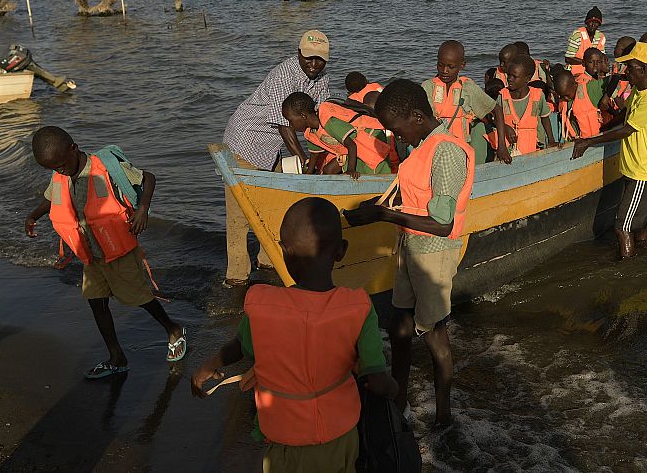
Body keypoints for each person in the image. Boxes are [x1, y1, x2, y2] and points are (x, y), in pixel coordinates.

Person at [191, 197, 398, 473]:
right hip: (338, 439)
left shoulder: (263, 306)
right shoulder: (358, 308)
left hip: (282, 443)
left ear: (284, 253)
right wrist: (395, 390)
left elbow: (239, 347)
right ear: (341, 251)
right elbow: (376, 381)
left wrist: (208, 367)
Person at [343, 79, 476, 428]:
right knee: (399, 327)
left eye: (396, 129)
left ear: (417, 116)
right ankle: (397, 402)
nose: (396, 137)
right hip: (409, 248)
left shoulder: (446, 151)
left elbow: (442, 223)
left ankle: (443, 416)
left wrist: (383, 215)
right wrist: (373, 208)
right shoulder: (423, 145)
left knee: (434, 335)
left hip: (433, 253)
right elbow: (413, 197)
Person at [24, 126, 186, 378]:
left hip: (118, 251)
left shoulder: (106, 167)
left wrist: (143, 210)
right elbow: (51, 198)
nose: (60, 170)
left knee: (140, 297)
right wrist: (33, 216)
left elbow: (148, 177)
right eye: (53, 168)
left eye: (61, 164)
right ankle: (117, 357)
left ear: (73, 148)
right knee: (96, 302)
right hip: (91, 254)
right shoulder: (60, 174)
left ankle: (173, 328)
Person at [222, 30, 331, 287]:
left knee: (277, 205)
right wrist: (305, 160)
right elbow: (284, 125)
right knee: (239, 216)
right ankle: (236, 276)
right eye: (309, 58)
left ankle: (268, 260)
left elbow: (321, 120)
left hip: (272, 149)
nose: (314, 64)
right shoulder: (284, 73)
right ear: (298, 53)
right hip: (246, 140)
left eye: (320, 59)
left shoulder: (322, 78)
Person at [570, 42, 647, 258]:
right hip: (634, 169)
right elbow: (625, 115)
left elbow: (626, 130)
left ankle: (627, 269)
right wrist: (602, 128)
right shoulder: (639, 92)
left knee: (622, 226)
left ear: (642, 69)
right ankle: (644, 253)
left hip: (644, 172)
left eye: (629, 67)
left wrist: (589, 142)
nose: (625, 72)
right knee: (639, 221)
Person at [422, 40, 512, 164]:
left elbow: (496, 109)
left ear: (462, 65)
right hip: (433, 151)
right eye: (440, 65)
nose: (445, 71)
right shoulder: (427, 87)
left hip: (460, 151)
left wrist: (501, 146)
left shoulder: (467, 87)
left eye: (451, 67)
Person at [281, 92, 394, 179]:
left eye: (290, 120)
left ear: (303, 116)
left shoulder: (329, 122)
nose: (290, 125)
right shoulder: (310, 133)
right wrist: (306, 177)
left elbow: (351, 145)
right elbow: (314, 157)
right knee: (327, 170)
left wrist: (350, 170)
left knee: (373, 176)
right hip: (351, 151)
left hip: (370, 143)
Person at [499, 55, 556, 154]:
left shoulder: (537, 96)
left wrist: (551, 140)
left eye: (514, 76)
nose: (510, 79)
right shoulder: (502, 96)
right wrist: (505, 127)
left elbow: (545, 118)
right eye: (509, 75)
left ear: (527, 79)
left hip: (532, 146)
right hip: (508, 148)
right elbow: (495, 119)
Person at [552, 49, 605, 139]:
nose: (565, 98)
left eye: (599, 62)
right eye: (562, 96)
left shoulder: (589, 87)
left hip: (595, 137)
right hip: (575, 138)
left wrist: (606, 98)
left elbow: (613, 79)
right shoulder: (564, 99)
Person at [564, 6, 607, 76]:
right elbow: (568, 58)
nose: (593, 25)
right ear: (586, 22)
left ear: (599, 24)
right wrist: (586, 63)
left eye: (596, 22)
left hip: (593, 73)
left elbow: (602, 56)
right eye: (591, 22)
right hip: (575, 73)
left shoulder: (601, 37)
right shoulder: (577, 35)